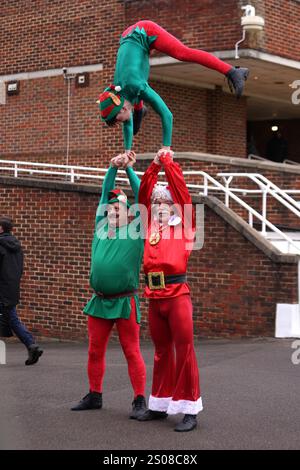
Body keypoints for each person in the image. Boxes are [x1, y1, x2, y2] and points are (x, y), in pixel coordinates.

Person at [97, 20, 249, 163]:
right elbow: (127, 123)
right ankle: (139, 109)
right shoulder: (117, 94)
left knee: (182, 53)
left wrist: (166, 147)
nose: (122, 123)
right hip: (128, 39)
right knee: (133, 108)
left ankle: (232, 72)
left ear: (123, 108)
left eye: (119, 119)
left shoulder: (135, 85)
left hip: (143, 31)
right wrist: (127, 151)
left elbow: (167, 114)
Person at [71, 152, 147, 419]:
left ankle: (139, 400)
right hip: (100, 300)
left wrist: (128, 171)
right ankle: (94, 395)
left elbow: (144, 196)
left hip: (125, 301)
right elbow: (105, 193)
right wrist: (112, 167)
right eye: (112, 207)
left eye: (120, 207)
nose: (114, 209)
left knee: (131, 351)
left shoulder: (138, 230)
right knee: (94, 350)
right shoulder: (101, 226)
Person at [137, 151, 202, 432]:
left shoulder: (184, 225)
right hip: (154, 297)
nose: (160, 205)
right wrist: (152, 166)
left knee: (184, 350)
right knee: (161, 351)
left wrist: (169, 164)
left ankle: (189, 409)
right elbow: (143, 194)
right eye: (157, 202)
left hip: (177, 296)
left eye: (165, 202)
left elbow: (182, 192)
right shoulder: (150, 224)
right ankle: (160, 404)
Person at [0, 216, 43, 365]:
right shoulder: (16, 246)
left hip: (3, 289)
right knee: (11, 318)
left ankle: (31, 344)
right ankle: (31, 345)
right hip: (11, 288)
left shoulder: (1, 245)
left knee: (11, 319)